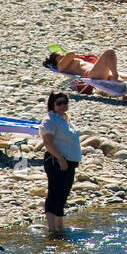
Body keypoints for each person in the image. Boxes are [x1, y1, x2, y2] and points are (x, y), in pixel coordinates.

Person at [39, 93, 81, 234]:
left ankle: (60, 226)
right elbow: (47, 142)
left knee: (64, 193)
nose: (63, 105)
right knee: (54, 192)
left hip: (69, 162)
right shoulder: (50, 120)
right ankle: (52, 228)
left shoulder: (65, 119)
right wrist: (60, 158)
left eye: (65, 102)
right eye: (59, 103)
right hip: (56, 161)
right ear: (52, 104)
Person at [48, 48, 119, 81]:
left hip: (97, 73)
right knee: (109, 52)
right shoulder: (61, 66)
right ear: (56, 61)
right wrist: (66, 55)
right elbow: (71, 53)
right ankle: (115, 75)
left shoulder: (70, 62)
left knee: (126, 78)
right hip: (91, 75)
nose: (63, 55)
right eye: (61, 56)